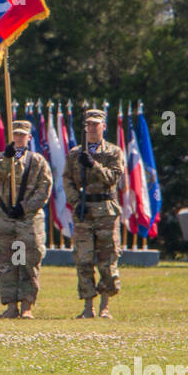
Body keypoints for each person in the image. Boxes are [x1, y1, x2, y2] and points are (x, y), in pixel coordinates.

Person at [63, 108, 126, 319]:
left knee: (107, 260)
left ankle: (105, 306)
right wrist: (74, 201)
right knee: (84, 259)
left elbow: (113, 178)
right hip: (84, 211)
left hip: (106, 211)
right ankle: (88, 306)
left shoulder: (113, 152)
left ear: (103, 127)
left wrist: (94, 165)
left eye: (95, 124)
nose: (91, 128)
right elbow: (67, 180)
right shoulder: (75, 153)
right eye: (88, 125)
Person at [0, 119, 54, 318]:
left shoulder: (37, 161)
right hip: (5, 219)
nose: (19, 138)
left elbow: (44, 189)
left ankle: (27, 304)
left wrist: (25, 208)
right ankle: (10, 305)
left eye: (22, 135)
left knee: (27, 261)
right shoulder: (1, 157)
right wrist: (8, 159)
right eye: (15, 134)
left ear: (29, 137)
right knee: (7, 262)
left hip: (28, 220)